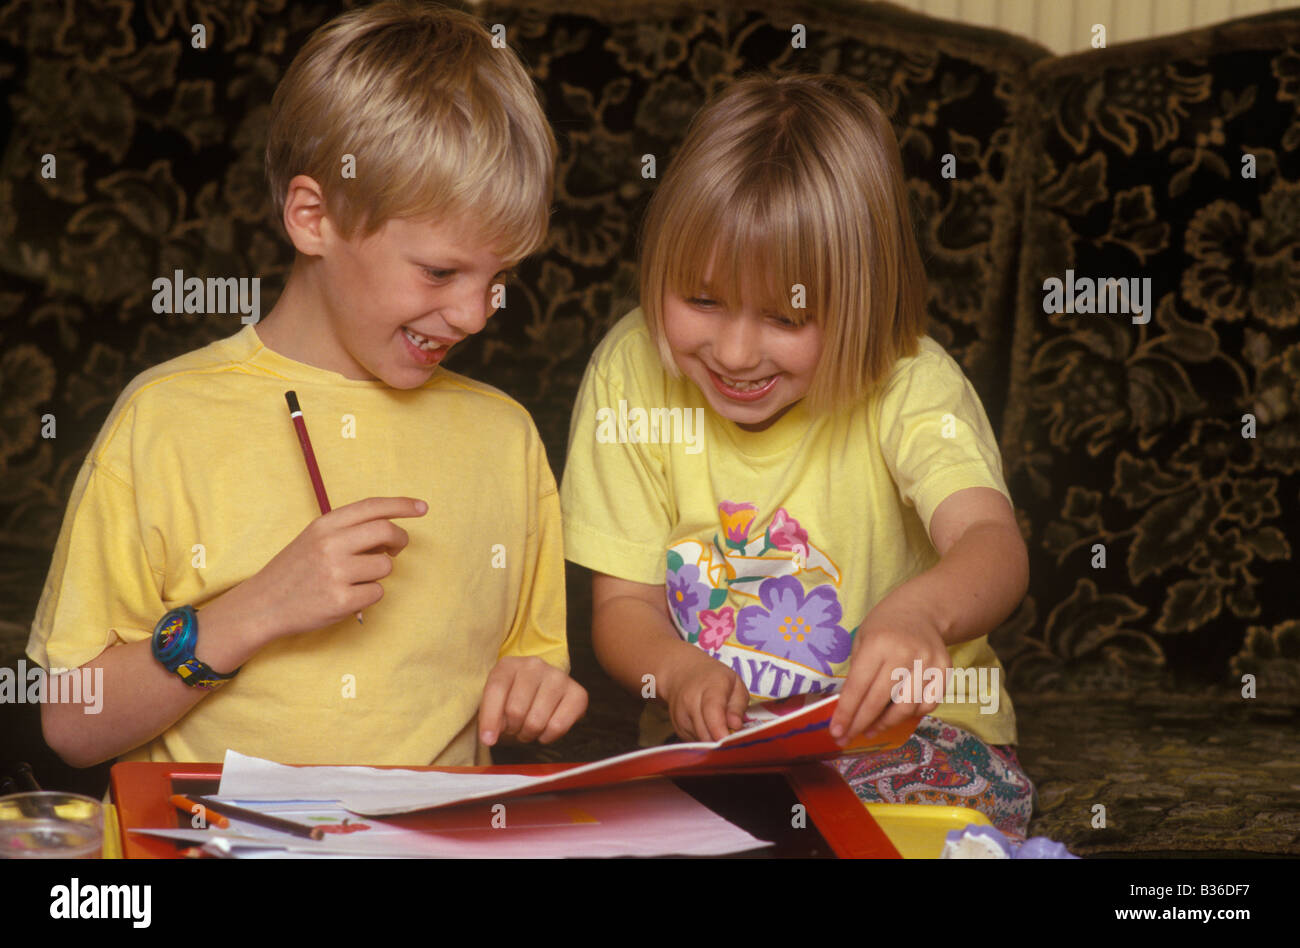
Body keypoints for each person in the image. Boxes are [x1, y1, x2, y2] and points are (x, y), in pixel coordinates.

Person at [29, 1, 586, 769]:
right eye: (441, 270)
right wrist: (252, 612)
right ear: (312, 216)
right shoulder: (164, 418)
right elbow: (70, 727)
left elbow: (530, 664)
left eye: (500, 277)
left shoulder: (508, 437)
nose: (474, 313)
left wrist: (533, 689)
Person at [560, 74, 1033, 836]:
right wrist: (679, 672)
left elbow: (993, 545)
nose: (736, 351)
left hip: (918, 737)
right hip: (728, 750)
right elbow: (624, 609)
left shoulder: (911, 384)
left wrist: (920, 612)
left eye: (786, 315)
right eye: (703, 300)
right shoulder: (630, 374)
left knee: (882, 817)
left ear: (865, 302)